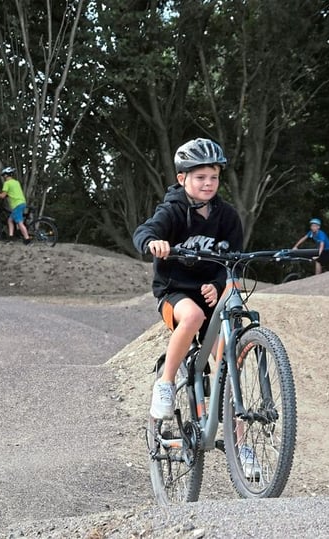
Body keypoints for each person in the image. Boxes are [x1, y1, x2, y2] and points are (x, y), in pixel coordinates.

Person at [132, 138, 244, 421]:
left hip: (212, 296)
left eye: (214, 177)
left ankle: (242, 446)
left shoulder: (228, 216)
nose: (208, 183)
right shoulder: (172, 210)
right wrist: (153, 242)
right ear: (182, 178)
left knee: (230, 361)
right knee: (192, 316)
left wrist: (218, 284)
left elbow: (234, 261)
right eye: (200, 177)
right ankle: (165, 383)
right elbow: (145, 231)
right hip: (176, 292)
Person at [0, 166, 31, 244]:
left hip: (16, 204)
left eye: (4, 175)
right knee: (10, 220)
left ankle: (27, 239)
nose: (4, 177)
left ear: (6, 175)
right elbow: (13, 192)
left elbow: (2, 196)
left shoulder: (7, 183)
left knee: (19, 222)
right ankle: (11, 238)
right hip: (22, 202)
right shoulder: (16, 182)